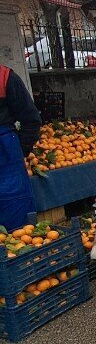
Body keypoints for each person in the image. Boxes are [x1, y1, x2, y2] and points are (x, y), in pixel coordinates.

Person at [0, 63, 41, 231]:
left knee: (15, 205)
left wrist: (20, 150)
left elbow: (30, 119)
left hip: (5, 150)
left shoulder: (5, 77)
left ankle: (20, 251)